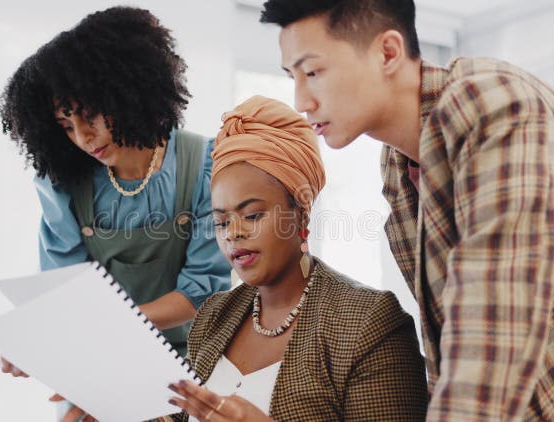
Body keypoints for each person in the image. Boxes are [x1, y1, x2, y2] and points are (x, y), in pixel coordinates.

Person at [260, 0, 554, 419]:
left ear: (387, 52)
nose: (301, 101)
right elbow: (450, 348)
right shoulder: (396, 167)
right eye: (292, 77)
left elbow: (492, 326)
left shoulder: (492, 102)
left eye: (313, 72)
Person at [0, 7, 230, 421]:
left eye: (89, 115)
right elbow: (63, 295)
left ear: (129, 90)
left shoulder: (204, 165)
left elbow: (202, 293)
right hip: (95, 367)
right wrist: (28, 344)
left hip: (183, 374)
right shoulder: (64, 184)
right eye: (65, 124)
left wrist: (115, 326)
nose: (83, 137)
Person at [168, 96, 428, 421]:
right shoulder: (213, 317)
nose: (232, 233)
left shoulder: (368, 324)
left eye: (251, 215)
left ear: (300, 213)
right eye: (221, 222)